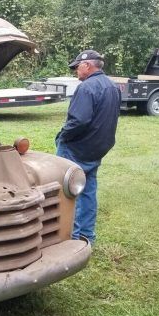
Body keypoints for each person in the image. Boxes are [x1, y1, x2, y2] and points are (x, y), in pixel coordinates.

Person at [56, 50, 120, 244]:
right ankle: (87, 236)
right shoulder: (113, 86)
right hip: (97, 149)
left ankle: (71, 239)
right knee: (88, 190)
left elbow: (78, 121)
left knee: (69, 191)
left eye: (77, 67)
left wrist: (62, 136)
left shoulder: (86, 88)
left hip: (77, 149)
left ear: (88, 66)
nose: (76, 71)